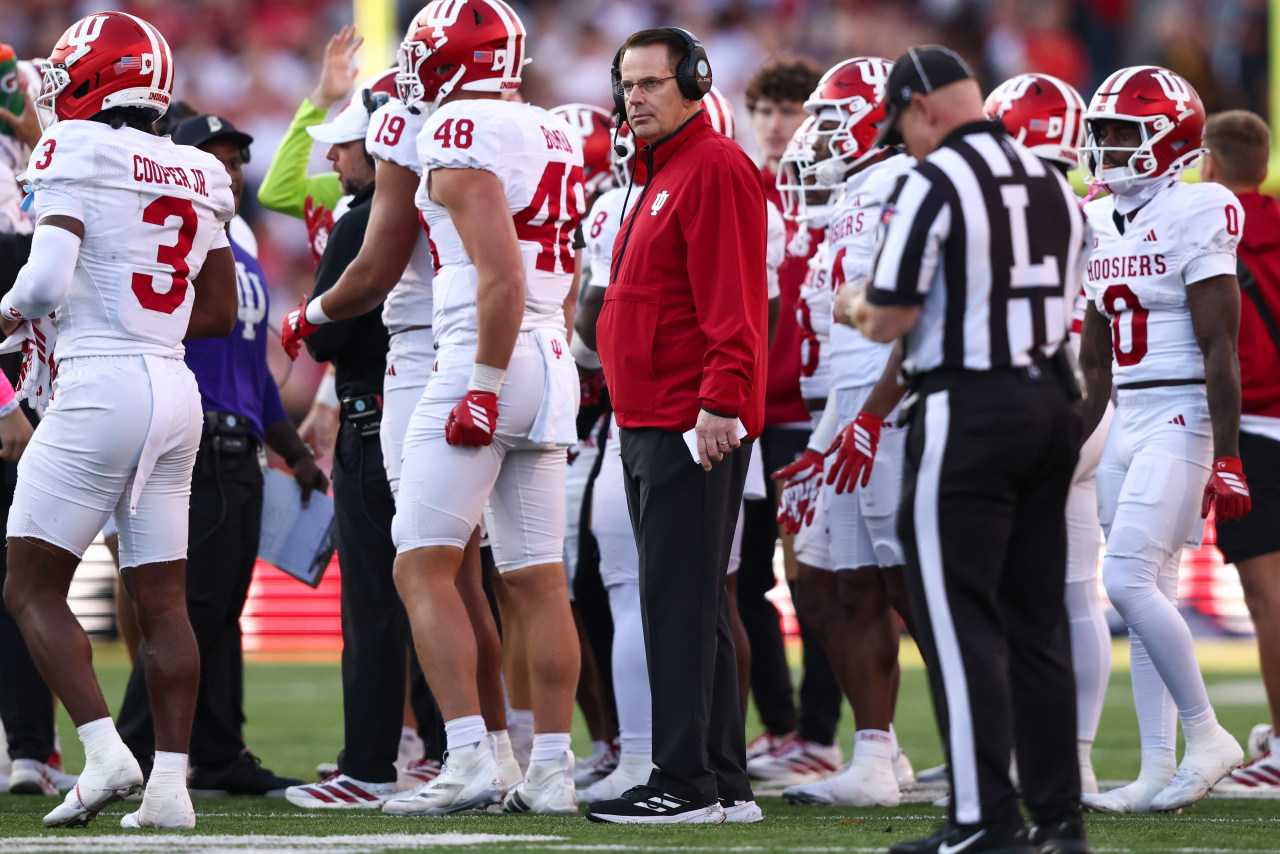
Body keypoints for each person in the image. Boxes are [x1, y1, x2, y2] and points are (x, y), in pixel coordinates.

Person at [285, 0, 583, 816]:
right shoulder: (553, 127)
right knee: (535, 579)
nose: (413, 67)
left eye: (425, 49)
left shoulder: (454, 128)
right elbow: (561, 271)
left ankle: (465, 757)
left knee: (420, 562)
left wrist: (481, 385)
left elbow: (496, 273)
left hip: (479, 355)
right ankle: (550, 768)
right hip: (550, 355)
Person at [846, 45, 1088, 854]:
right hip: (1051, 402)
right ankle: (1060, 818)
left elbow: (889, 314)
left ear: (922, 108)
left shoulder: (933, 180)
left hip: (968, 406)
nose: (904, 140)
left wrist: (849, 304)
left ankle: (984, 820)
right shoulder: (1055, 179)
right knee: (1037, 619)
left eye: (901, 124)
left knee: (959, 622)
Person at [1, 11, 238, 829]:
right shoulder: (201, 169)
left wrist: (12, 314)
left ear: (96, 80)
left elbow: (42, 282)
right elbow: (215, 309)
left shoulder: (76, 147)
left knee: (29, 583)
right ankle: (169, 789)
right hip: (174, 389)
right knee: (163, 602)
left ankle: (104, 752)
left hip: (101, 380)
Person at [587, 26, 767, 825]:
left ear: (695, 82)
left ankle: (684, 781)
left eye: (653, 84)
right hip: (650, 413)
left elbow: (734, 303)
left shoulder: (713, 167)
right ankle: (723, 777)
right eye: (628, 85)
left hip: (686, 418)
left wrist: (721, 399)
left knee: (679, 600)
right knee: (692, 601)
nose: (635, 99)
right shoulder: (657, 171)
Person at [114, 111, 319, 798]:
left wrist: (291, 446)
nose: (229, 172)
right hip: (192, 438)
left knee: (221, 609)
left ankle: (220, 752)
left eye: (235, 161)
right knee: (191, 605)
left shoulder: (239, 244)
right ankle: (132, 752)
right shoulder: (162, 235)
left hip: (243, 445)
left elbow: (253, 366)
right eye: (214, 157)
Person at [1076, 66, 1248, 815]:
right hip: (1123, 414)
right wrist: (1070, 445)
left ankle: (1209, 736)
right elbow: (1091, 357)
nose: (1107, 147)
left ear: (1171, 139)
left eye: (1123, 133)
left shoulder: (1199, 206)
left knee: (1127, 584)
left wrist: (1231, 452)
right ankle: (1156, 768)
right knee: (1155, 587)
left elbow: (1220, 346)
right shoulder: (1093, 217)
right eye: (1101, 133)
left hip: (1182, 411)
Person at [771, 55, 919, 809]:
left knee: (909, 583)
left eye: (831, 121)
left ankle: (994, 749)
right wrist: (829, 430)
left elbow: (908, 308)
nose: (818, 138)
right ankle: (875, 753)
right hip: (849, 400)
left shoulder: (903, 182)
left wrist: (868, 413)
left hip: (894, 403)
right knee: (837, 581)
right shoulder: (856, 192)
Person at [985, 71, 1116, 796]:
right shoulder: (1093, 209)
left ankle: (1016, 756)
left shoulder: (1008, 209)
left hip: (1031, 401)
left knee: (1014, 589)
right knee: (1076, 592)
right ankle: (1080, 760)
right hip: (1098, 401)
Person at [740, 58, 842, 771]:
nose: (779, 126)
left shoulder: (836, 194)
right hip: (749, 412)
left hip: (812, 411)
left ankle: (825, 734)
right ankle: (782, 726)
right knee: (745, 577)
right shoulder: (739, 185)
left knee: (817, 578)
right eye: (767, 111)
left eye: (792, 111)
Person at [1202, 109, 1280, 792]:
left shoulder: (1209, 235)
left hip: (1250, 428)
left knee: (1267, 597)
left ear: (1209, 162)